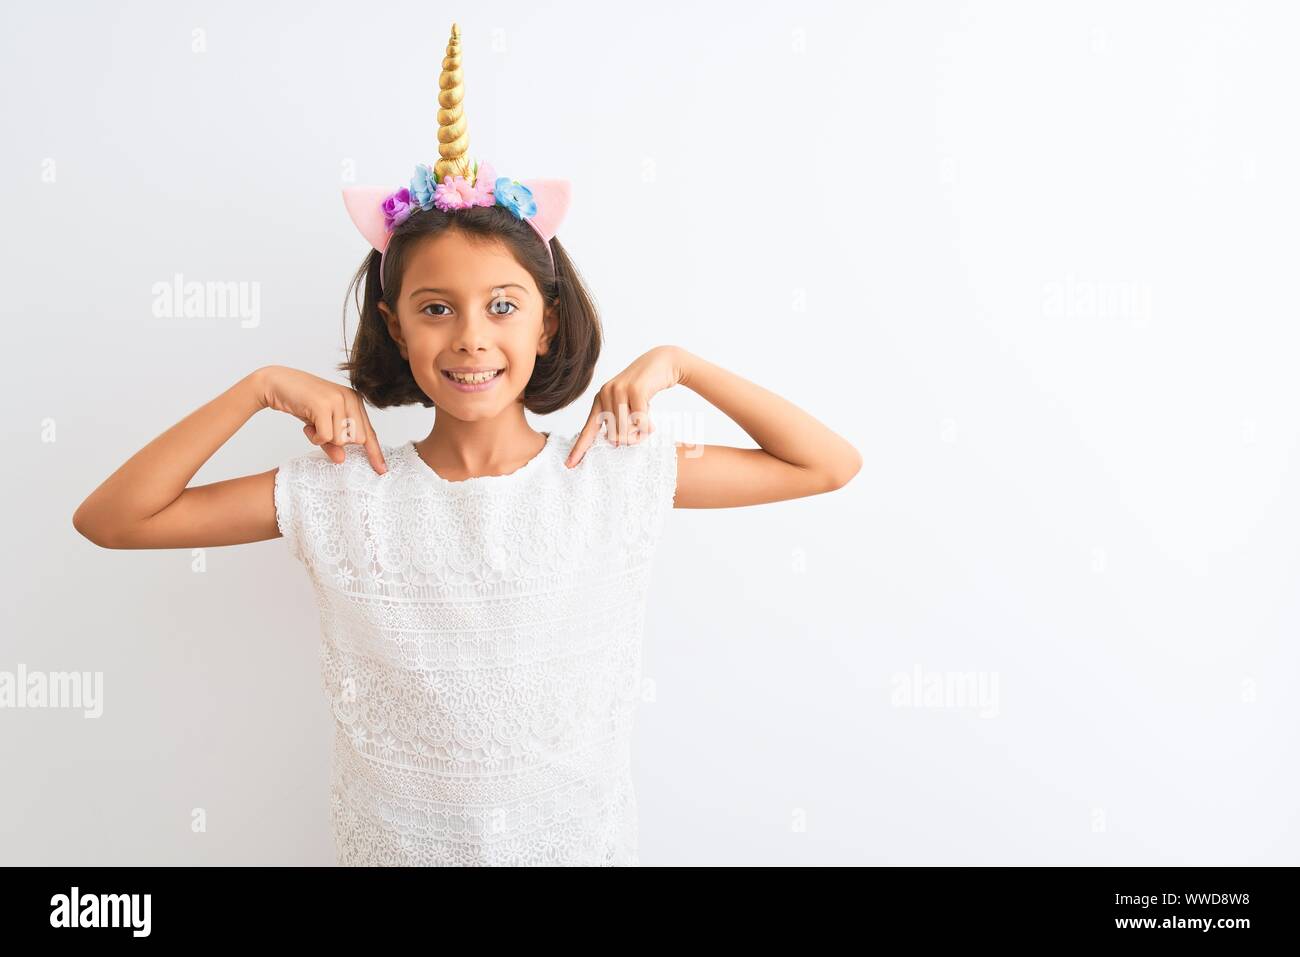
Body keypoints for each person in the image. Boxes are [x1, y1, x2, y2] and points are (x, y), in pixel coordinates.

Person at [72, 23, 861, 866]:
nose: (471, 338)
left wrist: (683, 365)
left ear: (548, 320)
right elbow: (113, 519)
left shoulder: (607, 476)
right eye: (436, 307)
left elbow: (825, 463)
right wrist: (257, 386)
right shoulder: (344, 493)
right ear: (395, 325)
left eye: (503, 305)